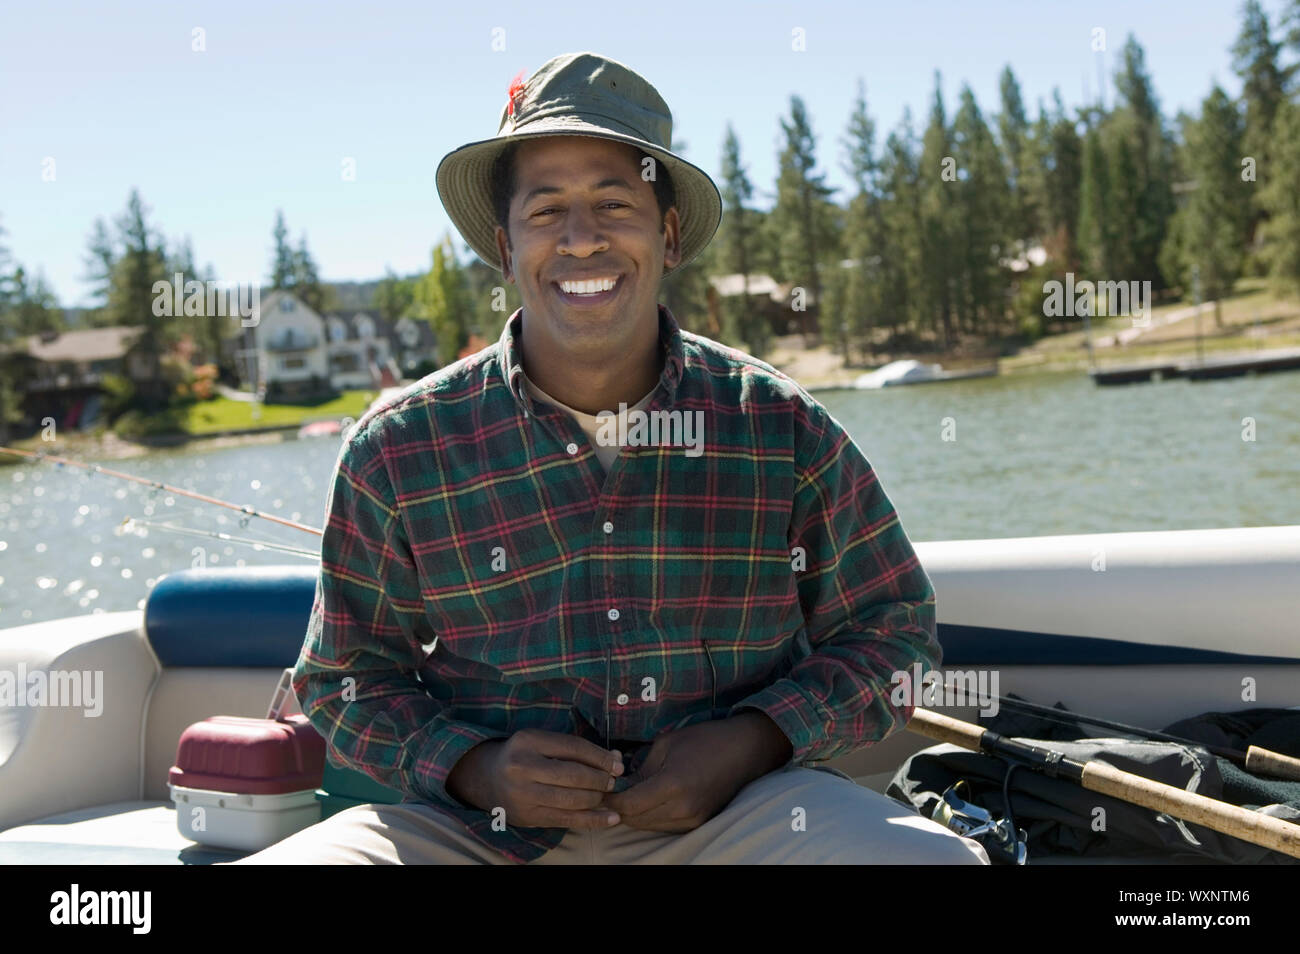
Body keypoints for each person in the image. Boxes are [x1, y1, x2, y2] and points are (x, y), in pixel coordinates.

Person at [235, 51, 988, 865]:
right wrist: (475, 769)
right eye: (547, 209)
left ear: (667, 233)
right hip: (473, 834)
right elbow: (345, 681)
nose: (582, 239)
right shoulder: (396, 449)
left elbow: (896, 638)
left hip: (737, 818)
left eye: (614, 202)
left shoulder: (780, 427)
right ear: (504, 245)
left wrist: (752, 741)